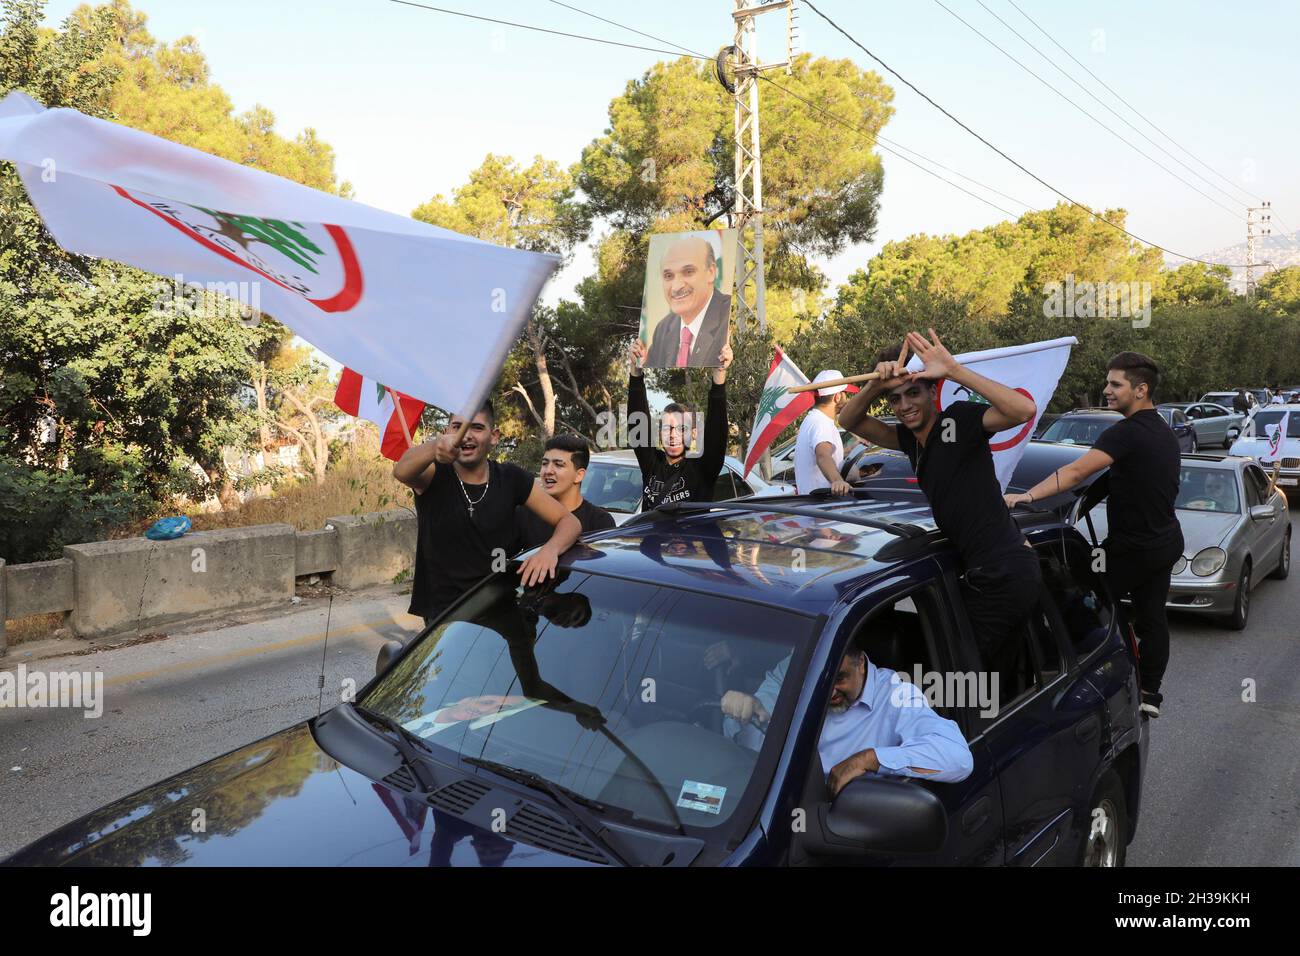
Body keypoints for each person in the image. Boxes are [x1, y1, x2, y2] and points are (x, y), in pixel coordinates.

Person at [837, 329, 1041, 672]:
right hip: (980, 573)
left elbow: (1024, 410)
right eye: (895, 399)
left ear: (933, 389)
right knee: (991, 678)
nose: (905, 406)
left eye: (913, 393)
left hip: (1005, 573)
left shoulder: (958, 420)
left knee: (959, 676)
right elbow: (849, 420)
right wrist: (876, 384)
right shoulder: (909, 439)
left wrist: (953, 370)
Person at [1005, 352, 1183, 718]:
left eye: (1116, 384)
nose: (1106, 390)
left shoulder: (1125, 432)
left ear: (1141, 389)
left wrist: (1026, 496)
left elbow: (1074, 472)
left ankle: (1069, 683)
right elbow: (1122, 478)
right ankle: (1150, 693)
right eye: (1108, 382)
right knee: (1152, 618)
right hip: (1165, 542)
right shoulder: (1161, 430)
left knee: (1076, 602)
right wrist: (1087, 501)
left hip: (1133, 550)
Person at [393, 402, 581, 627]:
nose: (466, 435)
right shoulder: (433, 475)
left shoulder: (511, 478)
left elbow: (569, 521)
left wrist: (550, 550)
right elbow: (402, 471)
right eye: (457, 427)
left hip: (501, 610)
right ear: (446, 433)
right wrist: (434, 447)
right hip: (445, 617)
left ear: (494, 436)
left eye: (477, 427)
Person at [722, 640, 973, 796]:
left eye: (839, 678)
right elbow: (748, 740)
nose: (829, 691)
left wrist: (869, 759)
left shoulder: (897, 695)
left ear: (861, 663)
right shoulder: (790, 672)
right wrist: (747, 710)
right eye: (819, 681)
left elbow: (958, 758)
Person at [627, 337, 732, 511]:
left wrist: (719, 375)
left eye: (681, 428)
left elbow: (717, 433)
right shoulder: (653, 464)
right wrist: (635, 372)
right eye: (667, 428)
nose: (673, 434)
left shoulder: (703, 468)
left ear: (693, 434)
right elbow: (637, 422)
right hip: (653, 538)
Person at [515, 434, 615, 552]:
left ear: (579, 475)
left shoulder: (600, 522)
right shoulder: (523, 514)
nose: (548, 471)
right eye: (545, 463)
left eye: (558, 465)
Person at [644, 235, 732, 368]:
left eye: (688, 272)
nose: (676, 287)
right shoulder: (663, 329)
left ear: (711, 272)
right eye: (668, 276)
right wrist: (635, 369)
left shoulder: (730, 314)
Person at [794, 370, 852, 495]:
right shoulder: (821, 423)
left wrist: (853, 448)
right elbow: (823, 455)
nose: (847, 397)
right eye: (845, 393)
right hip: (821, 507)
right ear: (837, 397)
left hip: (812, 506)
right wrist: (837, 481)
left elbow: (828, 453)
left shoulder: (813, 419)